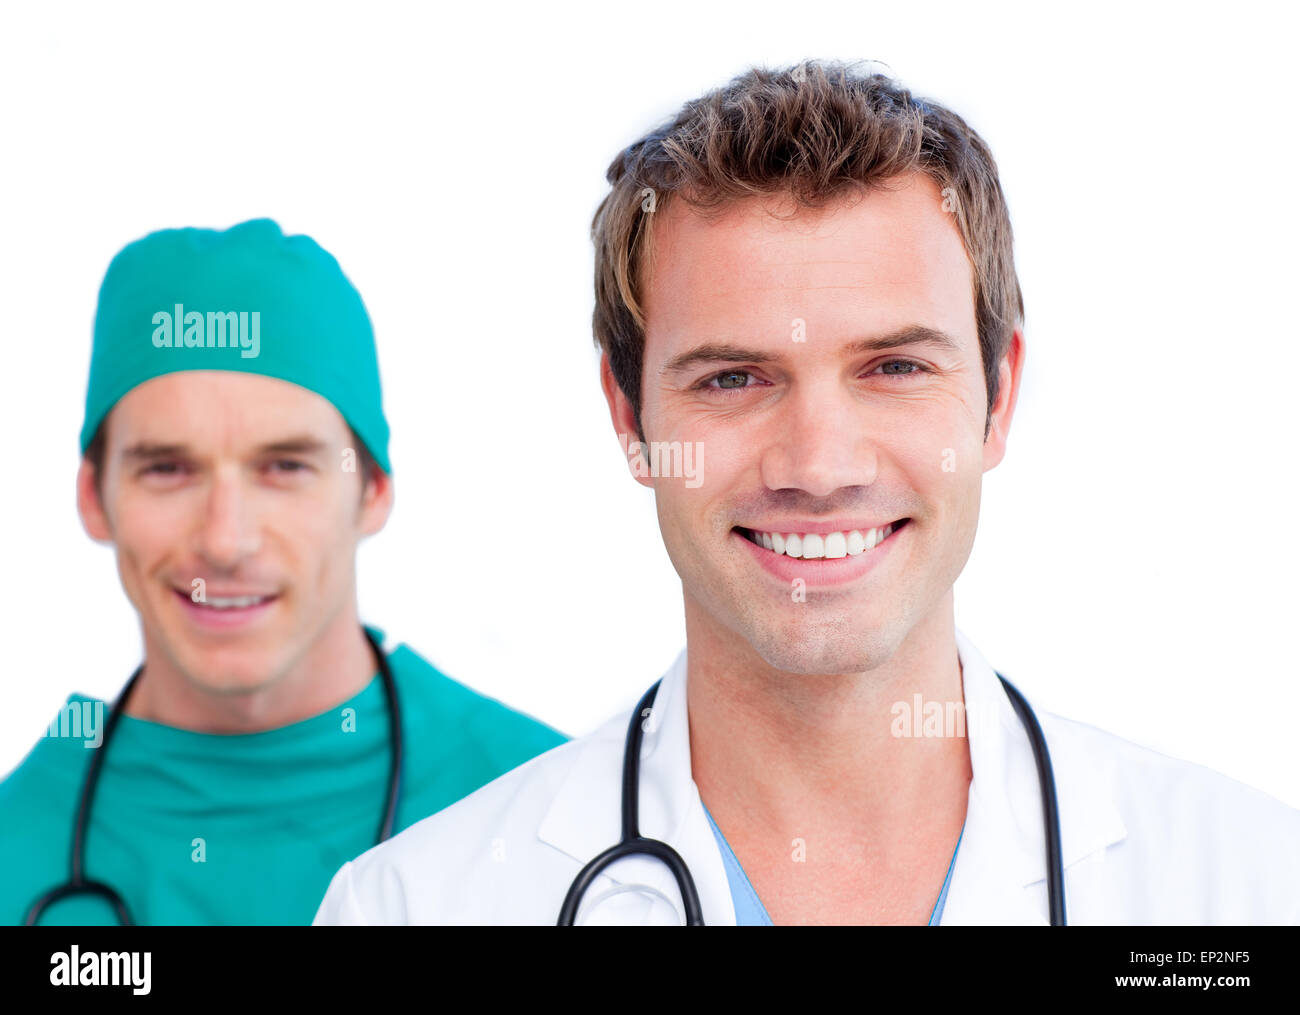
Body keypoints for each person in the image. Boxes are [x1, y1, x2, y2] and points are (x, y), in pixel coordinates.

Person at [313, 61, 1300, 925]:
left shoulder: (1251, 885)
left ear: (997, 398)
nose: (819, 467)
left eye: (895, 368)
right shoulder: (412, 908)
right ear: (629, 415)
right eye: (732, 379)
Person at [0, 218, 566, 925]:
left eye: (285, 466)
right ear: (93, 497)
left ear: (373, 489)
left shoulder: (551, 813)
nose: (226, 541)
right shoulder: (16, 845)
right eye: (168, 469)